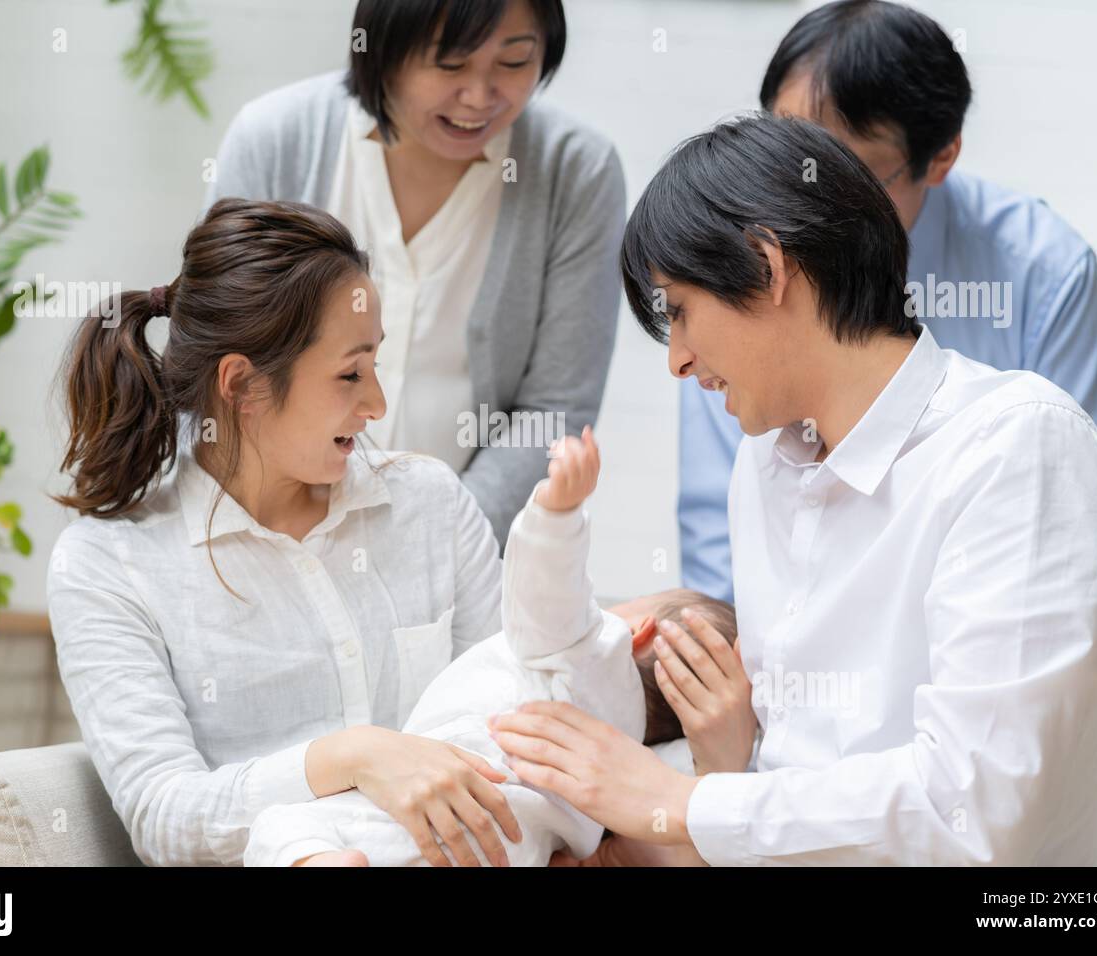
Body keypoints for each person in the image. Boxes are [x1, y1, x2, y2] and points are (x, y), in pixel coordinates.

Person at [490, 113, 1097, 865]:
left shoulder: (1019, 449)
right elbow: (793, 791)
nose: (677, 360)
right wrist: (703, 776)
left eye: (679, 312)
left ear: (767, 267)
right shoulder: (766, 467)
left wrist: (679, 803)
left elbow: (980, 811)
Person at [48, 199, 528, 867]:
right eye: (349, 374)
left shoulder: (430, 505)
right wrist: (350, 757)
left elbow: (518, 704)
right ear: (242, 385)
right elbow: (165, 815)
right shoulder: (109, 565)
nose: (377, 405)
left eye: (375, 366)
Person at [678, 0, 1097, 605]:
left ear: (940, 155)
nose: (793, 209)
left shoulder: (1044, 274)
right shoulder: (739, 273)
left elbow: (1078, 529)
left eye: (846, 176)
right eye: (786, 161)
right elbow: (718, 562)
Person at [205, 0, 625, 548]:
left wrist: (437, 546)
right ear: (383, 47)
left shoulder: (576, 172)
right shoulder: (277, 140)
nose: (479, 96)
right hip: (269, 537)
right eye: (449, 65)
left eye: (515, 61)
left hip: (464, 553)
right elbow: (214, 360)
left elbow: (552, 410)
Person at [244, 428, 739, 866]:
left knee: (278, 826)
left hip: (411, 816)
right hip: (505, 848)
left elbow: (547, 598)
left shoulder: (589, 653)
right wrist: (721, 767)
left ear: (641, 631)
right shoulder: (622, 782)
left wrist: (557, 516)